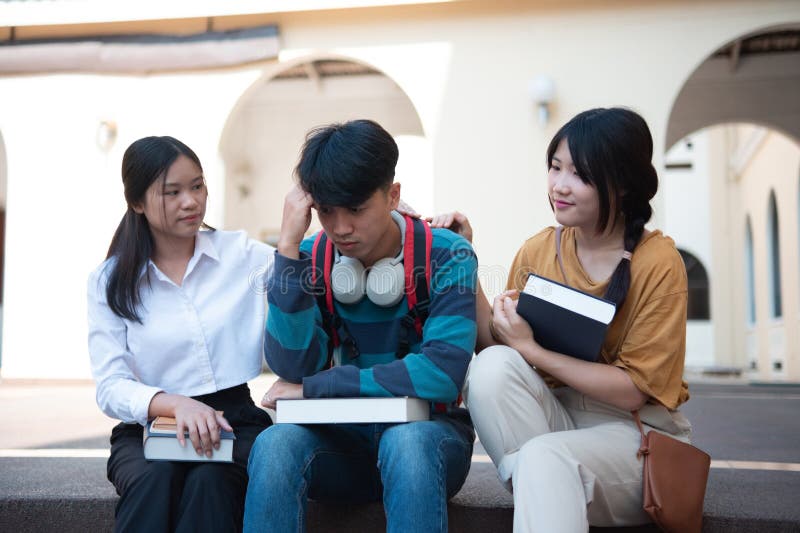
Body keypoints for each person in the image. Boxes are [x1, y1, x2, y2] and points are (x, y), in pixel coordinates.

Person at [439, 108, 692, 532]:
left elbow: (634, 391)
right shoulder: (538, 251)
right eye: (555, 168)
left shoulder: (658, 262)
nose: (560, 185)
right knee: (491, 367)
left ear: (624, 184)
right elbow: (498, 346)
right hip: (554, 420)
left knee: (542, 457)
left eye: (581, 175)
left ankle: (544, 492)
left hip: (635, 439)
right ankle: (548, 493)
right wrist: (464, 257)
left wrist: (532, 350)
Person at [243, 119, 478, 533]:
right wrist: (286, 250)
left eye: (355, 209)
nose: (340, 228)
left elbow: (441, 374)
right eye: (327, 211)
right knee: (274, 445)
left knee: (406, 442)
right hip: (344, 446)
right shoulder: (312, 256)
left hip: (428, 443)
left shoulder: (448, 254)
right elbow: (292, 366)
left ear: (393, 196)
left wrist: (321, 387)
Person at [87, 136, 274, 532]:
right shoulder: (109, 281)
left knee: (212, 480)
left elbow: (312, 258)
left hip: (234, 421)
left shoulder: (241, 256)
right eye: (172, 192)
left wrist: (398, 218)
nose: (191, 201)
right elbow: (110, 385)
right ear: (137, 202)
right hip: (148, 426)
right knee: (154, 479)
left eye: (197, 185)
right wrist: (173, 404)